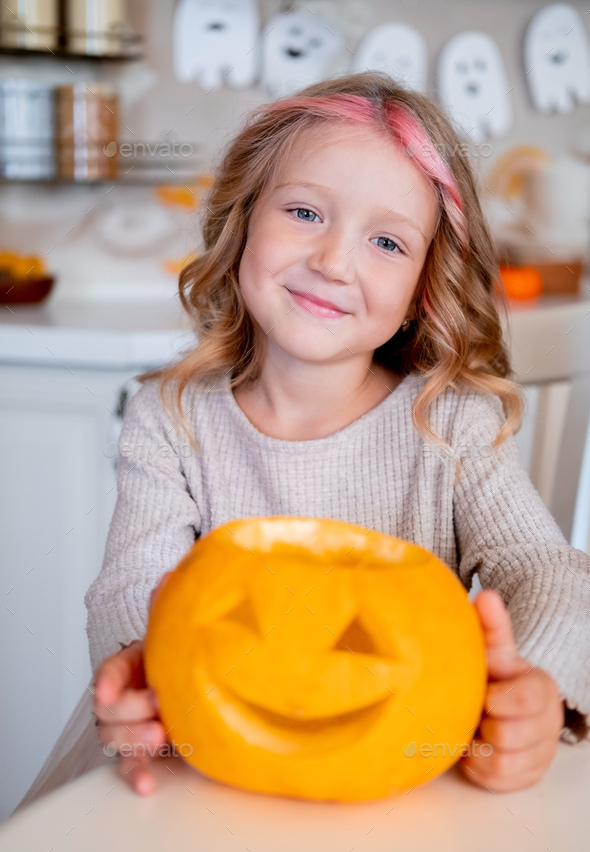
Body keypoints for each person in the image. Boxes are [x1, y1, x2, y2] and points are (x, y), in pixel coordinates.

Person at [14, 71, 590, 813]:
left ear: (423, 286)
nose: (334, 261)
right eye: (305, 211)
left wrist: (534, 683)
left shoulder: (451, 422)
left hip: (400, 776)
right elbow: (131, 588)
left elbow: (545, 568)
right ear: (243, 217)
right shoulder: (172, 416)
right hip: (199, 755)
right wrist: (139, 670)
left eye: (386, 240)